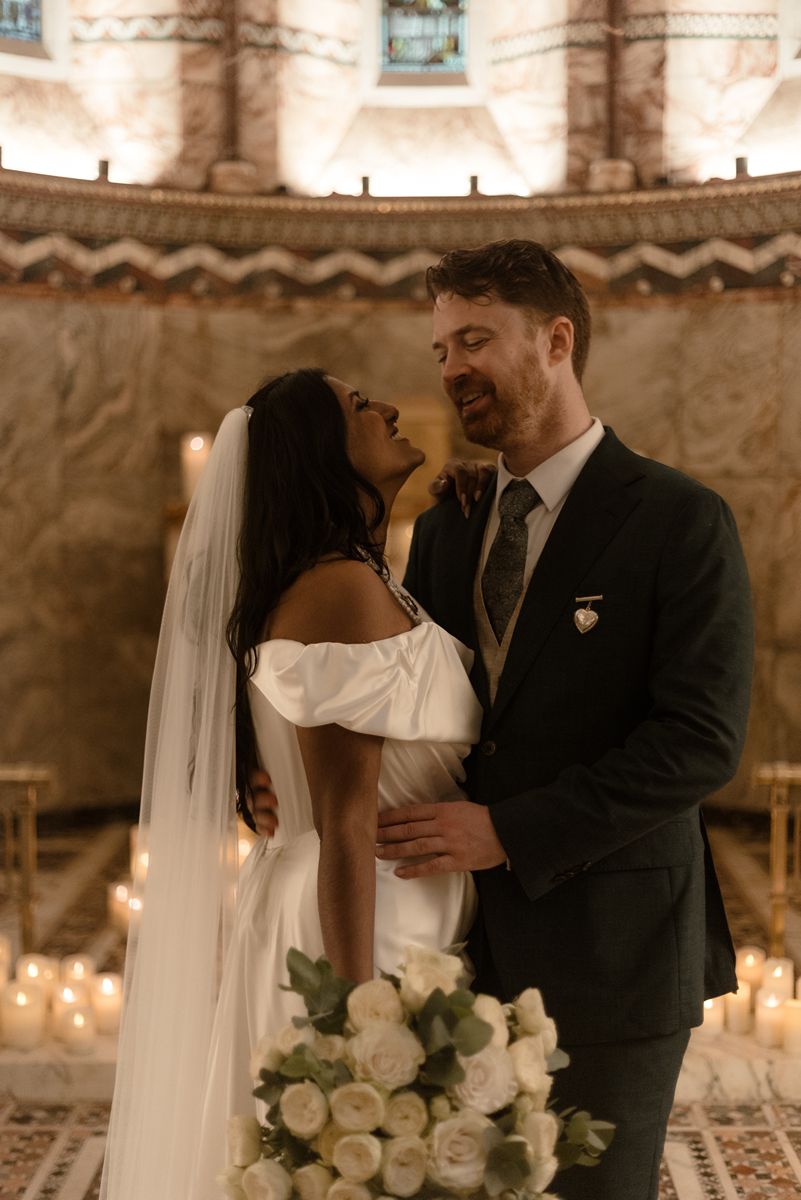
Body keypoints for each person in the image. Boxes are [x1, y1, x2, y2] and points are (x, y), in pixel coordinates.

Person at [368, 239, 754, 1199]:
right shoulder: (453, 519)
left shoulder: (678, 518)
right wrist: (283, 775)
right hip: (453, 952)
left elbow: (698, 741)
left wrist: (508, 830)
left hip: (614, 956)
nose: (452, 368)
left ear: (555, 340)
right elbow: (406, 699)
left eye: (474, 339)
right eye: (439, 350)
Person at [100, 369, 482, 1200]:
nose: (387, 406)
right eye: (357, 406)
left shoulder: (354, 576)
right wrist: (358, 1021)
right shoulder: (339, 589)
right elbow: (346, 821)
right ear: (318, 456)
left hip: (376, 896)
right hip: (362, 915)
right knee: (355, 1156)